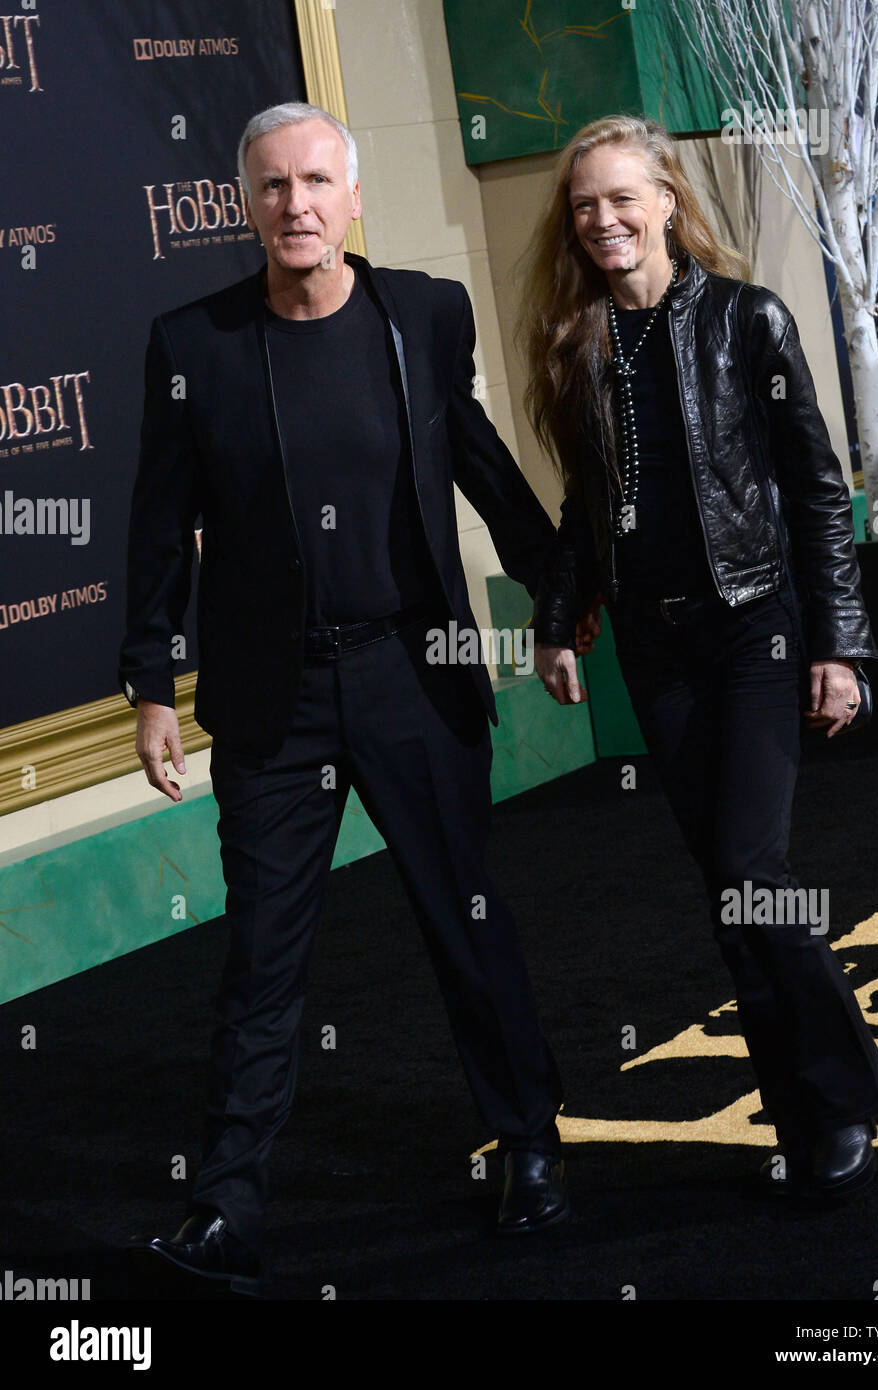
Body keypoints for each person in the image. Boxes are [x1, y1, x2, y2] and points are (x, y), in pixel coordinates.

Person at [118, 102, 568, 1296]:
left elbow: (478, 463)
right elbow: (159, 524)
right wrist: (151, 682)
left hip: (411, 673)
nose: (296, 204)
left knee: (466, 921)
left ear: (352, 198)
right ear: (246, 204)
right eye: (273, 185)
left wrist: (559, 597)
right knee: (262, 955)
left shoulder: (422, 313)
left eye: (317, 181)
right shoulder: (194, 344)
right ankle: (227, 1205)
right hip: (275, 700)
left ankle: (529, 1145)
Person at [523, 114, 878, 1200]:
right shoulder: (578, 344)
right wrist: (558, 614)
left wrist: (840, 647)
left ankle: (845, 1092)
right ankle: (796, 1111)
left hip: (755, 630)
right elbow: (585, 505)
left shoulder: (748, 319)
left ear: (667, 200)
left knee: (750, 868)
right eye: (585, 205)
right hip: (658, 647)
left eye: (621, 198)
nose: (603, 221)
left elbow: (816, 490)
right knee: (727, 889)